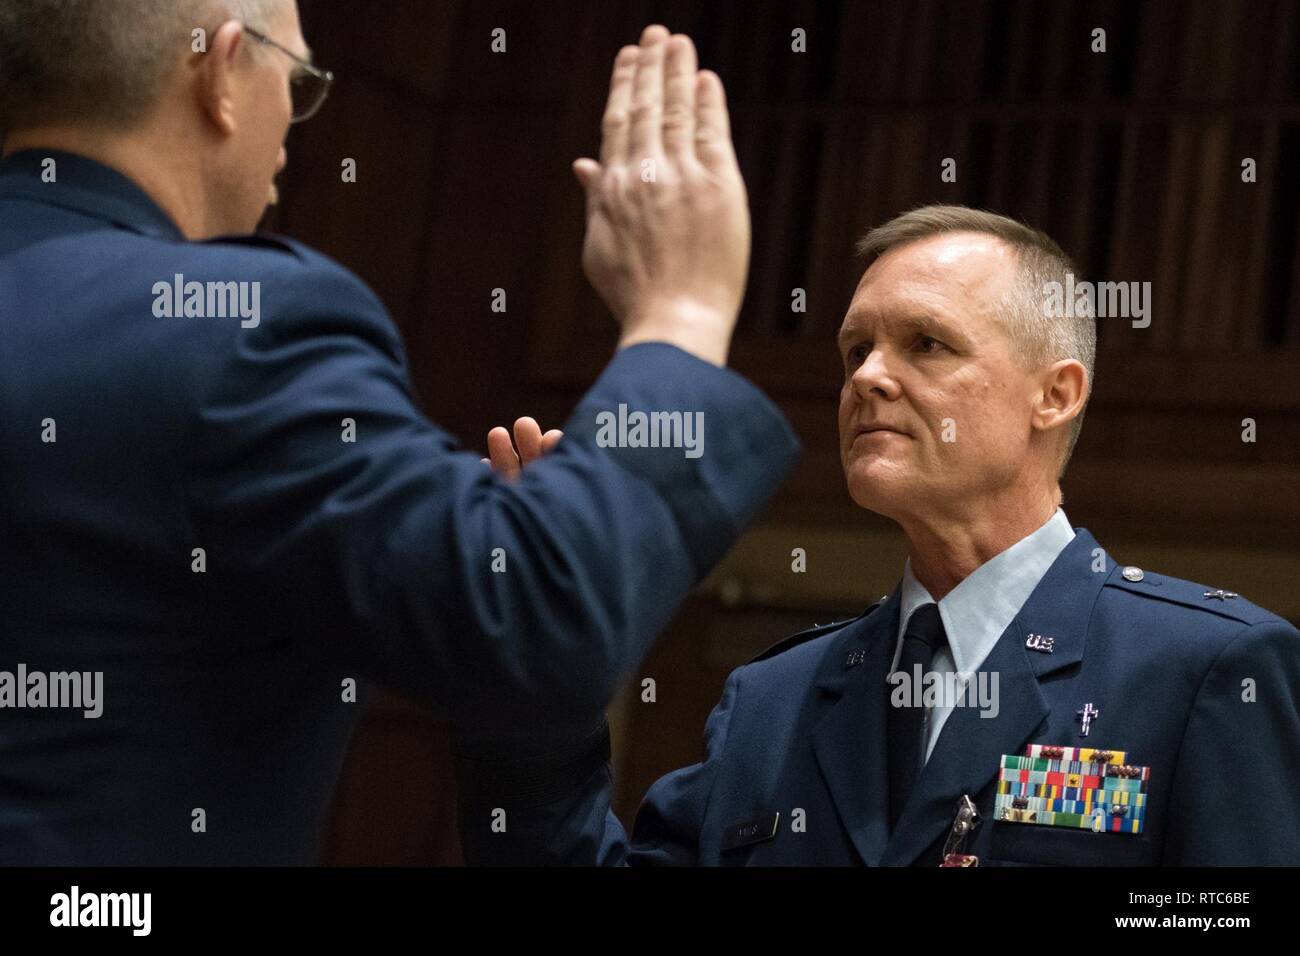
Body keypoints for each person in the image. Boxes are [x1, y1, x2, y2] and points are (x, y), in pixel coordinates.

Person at [0, 3, 799, 864]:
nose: (292, 126)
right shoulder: (237, 331)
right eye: (298, 81)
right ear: (220, 73)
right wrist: (680, 309)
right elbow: (528, 619)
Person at [462, 205, 1300, 865]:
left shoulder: (1207, 670)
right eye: (855, 348)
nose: (866, 377)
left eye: (925, 344)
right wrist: (541, 665)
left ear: (1056, 394)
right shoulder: (773, 700)